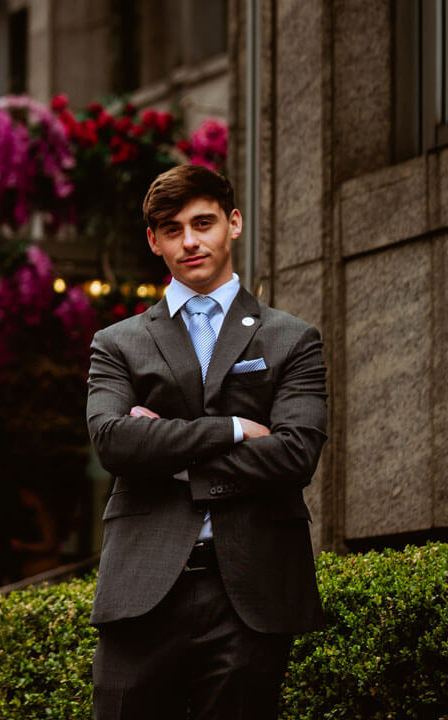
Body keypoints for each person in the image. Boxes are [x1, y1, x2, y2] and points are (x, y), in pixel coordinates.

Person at [85, 165, 327, 719]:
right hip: (142, 588)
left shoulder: (292, 339)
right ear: (153, 241)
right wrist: (234, 428)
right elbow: (114, 443)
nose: (190, 241)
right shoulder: (117, 343)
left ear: (233, 223)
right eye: (172, 229)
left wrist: (166, 451)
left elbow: (295, 454)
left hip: (250, 590)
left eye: (203, 223)